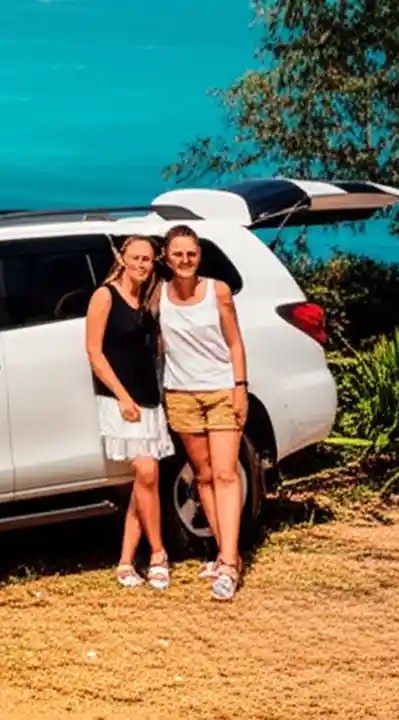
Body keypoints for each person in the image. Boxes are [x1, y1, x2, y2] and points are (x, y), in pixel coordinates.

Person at [157, 224, 249, 601]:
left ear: (199, 256)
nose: (184, 260)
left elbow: (235, 342)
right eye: (177, 253)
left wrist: (240, 388)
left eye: (191, 253)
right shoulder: (157, 295)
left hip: (221, 391)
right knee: (204, 475)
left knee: (226, 474)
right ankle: (228, 552)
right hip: (180, 394)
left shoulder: (218, 291)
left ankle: (227, 563)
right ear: (167, 257)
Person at [85, 235, 176, 591]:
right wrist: (122, 397)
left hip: (149, 399)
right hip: (120, 400)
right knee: (146, 470)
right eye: (135, 257)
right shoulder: (104, 296)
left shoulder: (150, 300)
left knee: (145, 481)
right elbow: (94, 352)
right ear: (122, 258)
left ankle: (125, 560)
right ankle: (158, 553)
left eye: (148, 260)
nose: (141, 264)